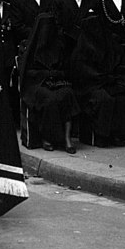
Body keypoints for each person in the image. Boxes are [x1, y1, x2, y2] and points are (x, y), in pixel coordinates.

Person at [70, 15, 125, 146]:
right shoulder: (81, 50)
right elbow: (82, 74)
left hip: (110, 81)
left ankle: (120, 134)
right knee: (104, 99)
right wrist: (103, 79)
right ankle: (101, 136)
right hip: (90, 87)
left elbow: (122, 65)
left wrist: (114, 78)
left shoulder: (111, 45)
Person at [20, 14, 80, 154]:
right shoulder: (31, 47)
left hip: (57, 82)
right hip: (37, 84)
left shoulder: (59, 46)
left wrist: (56, 74)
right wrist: (46, 74)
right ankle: (47, 137)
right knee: (49, 99)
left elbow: (66, 68)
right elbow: (28, 73)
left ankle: (67, 138)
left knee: (67, 94)